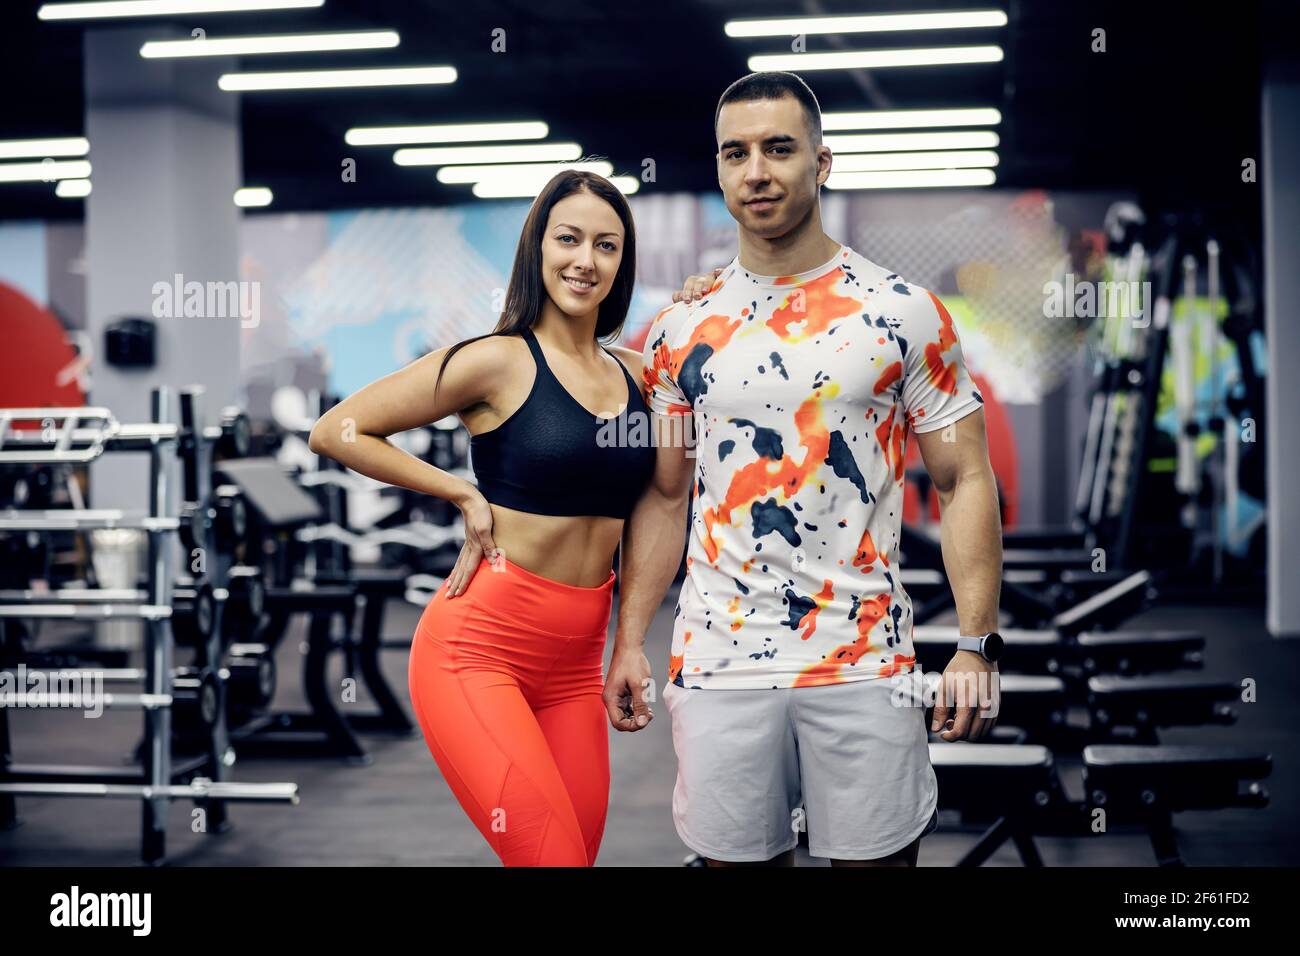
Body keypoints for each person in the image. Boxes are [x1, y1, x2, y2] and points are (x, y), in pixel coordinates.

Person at [606, 71, 1005, 867]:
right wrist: (628, 639)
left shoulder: (904, 312)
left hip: (866, 660)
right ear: (718, 170)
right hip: (717, 658)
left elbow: (965, 480)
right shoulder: (680, 328)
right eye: (735, 153)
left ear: (822, 163)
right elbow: (665, 492)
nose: (756, 170)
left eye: (779, 148)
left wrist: (974, 643)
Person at [309, 170, 658, 867]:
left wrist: (630, 640)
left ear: (622, 264)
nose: (585, 260)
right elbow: (339, 430)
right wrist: (461, 494)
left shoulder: (639, 376)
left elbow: (655, 506)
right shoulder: (497, 361)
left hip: (576, 663)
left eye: (606, 245)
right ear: (537, 249)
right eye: (568, 239)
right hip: (477, 652)